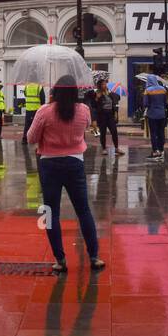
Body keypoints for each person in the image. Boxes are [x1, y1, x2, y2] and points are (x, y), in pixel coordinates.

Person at [27, 75, 104, 273]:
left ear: (56, 91)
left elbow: (31, 138)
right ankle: (94, 256)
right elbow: (85, 128)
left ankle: (60, 259)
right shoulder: (84, 111)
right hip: (75, 163)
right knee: (83, 210)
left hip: (49, 165)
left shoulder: (45, 111)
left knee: (51, 212)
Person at [93, 74, 123, 155]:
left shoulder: (110, 93)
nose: (104, 85)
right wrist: (97, 98)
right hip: (102, 116)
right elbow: (94, 106)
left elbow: (116, 100)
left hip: (110, 115)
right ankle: (104, 148)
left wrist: (116, 112)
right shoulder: (96, 93)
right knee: (103, 132)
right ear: (99, 85)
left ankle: (116, 148)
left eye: (105, 83)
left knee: (114, 131)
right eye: (102, 84)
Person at [143, 75, 167, 161]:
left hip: (152, 115)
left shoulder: (147, 90)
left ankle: (155, 151)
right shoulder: (163, 89)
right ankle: (161, 150)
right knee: (161, 132)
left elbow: (145, 104)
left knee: (153, 133)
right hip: (162, 114)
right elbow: (165, 102)